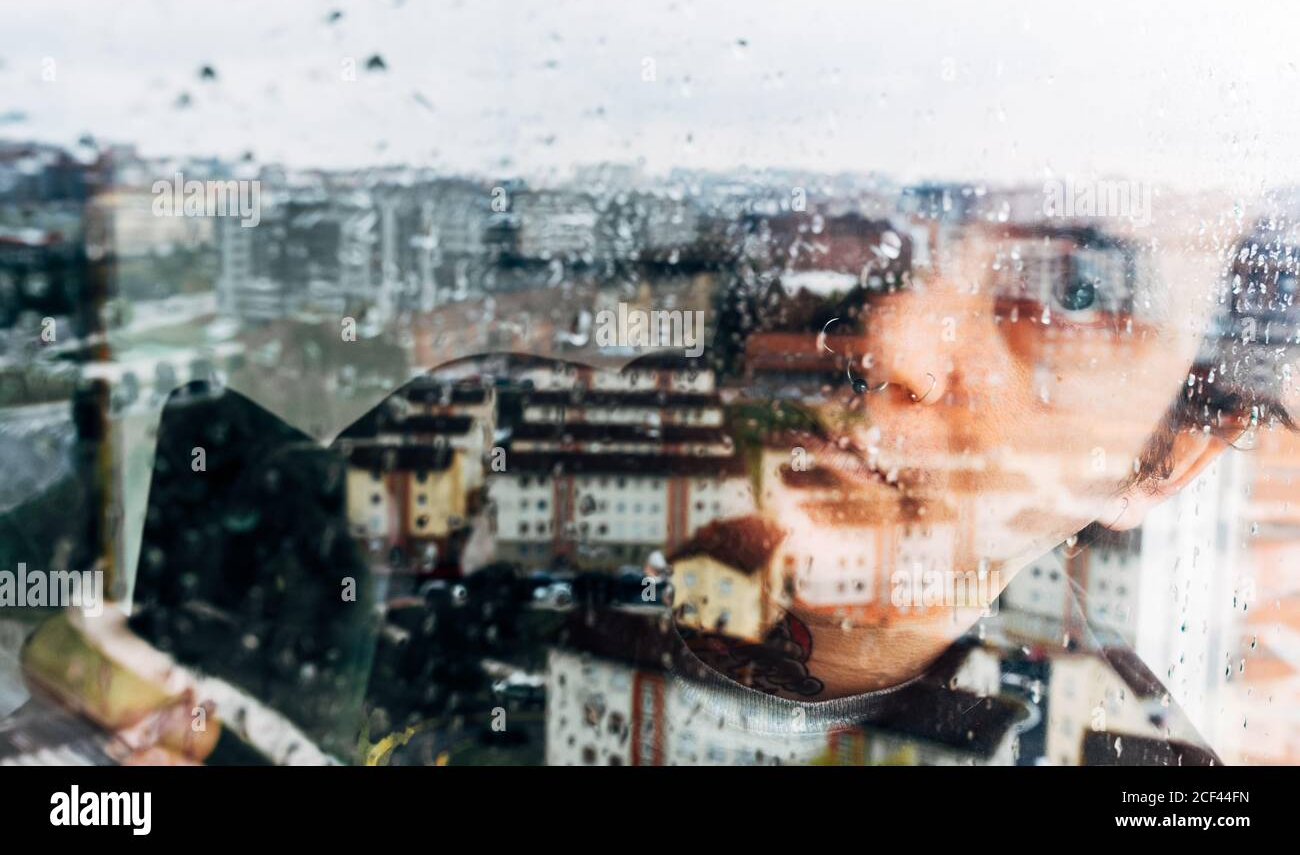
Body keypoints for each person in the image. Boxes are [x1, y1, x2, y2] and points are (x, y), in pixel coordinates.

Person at [15, 184, 1298, 766]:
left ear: (1171, 451)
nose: (891, 332)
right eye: (880, 212)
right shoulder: (449, 465)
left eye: (1077, 289)